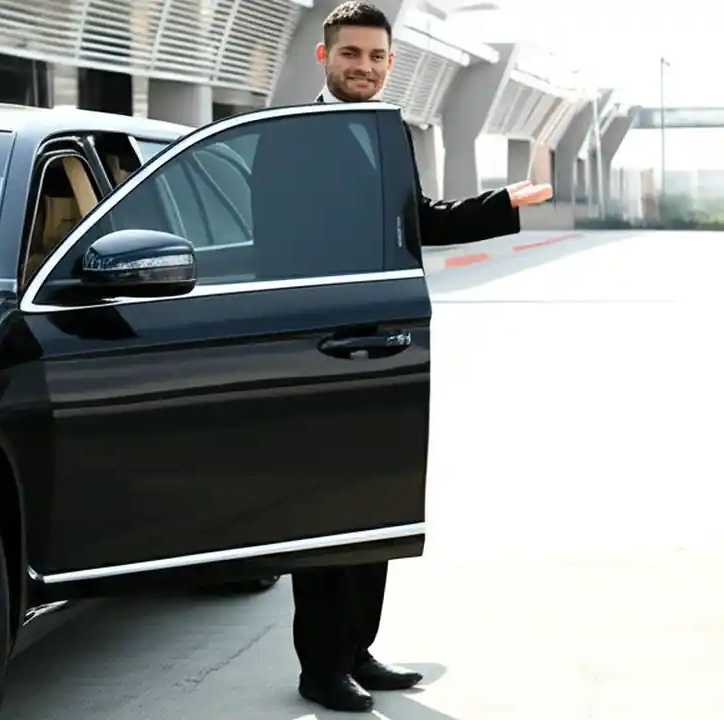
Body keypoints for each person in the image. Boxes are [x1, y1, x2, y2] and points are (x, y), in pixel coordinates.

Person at [289, 2, 554, 713]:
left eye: (377, 58)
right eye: (352, 55)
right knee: (325, 513)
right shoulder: (294, 138)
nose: (365, 68)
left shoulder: (390, 131)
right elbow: (279, 243)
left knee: (379, 499)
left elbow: (419, 220)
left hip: (389, 344)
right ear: (325, 57)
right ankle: (321, 667)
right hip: (324, 349)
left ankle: (357, 649)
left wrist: (501, 204)